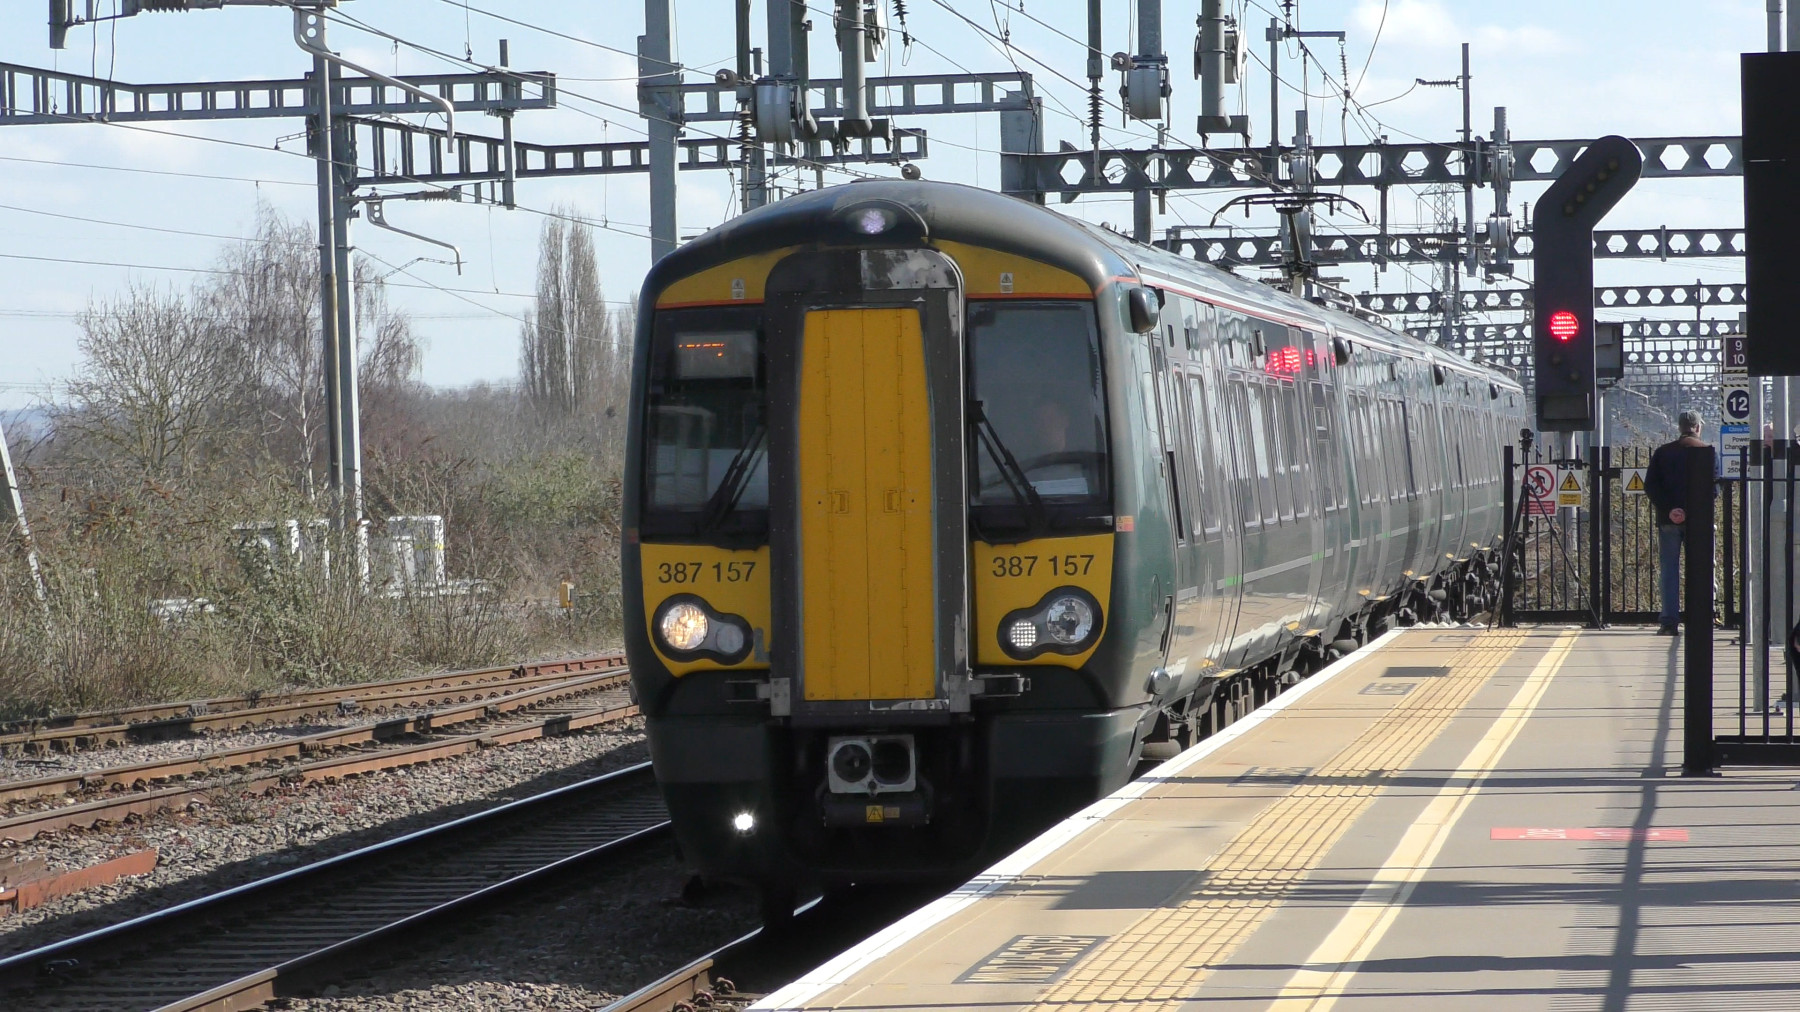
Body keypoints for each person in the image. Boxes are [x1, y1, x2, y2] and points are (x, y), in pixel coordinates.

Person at [1644, 410, 1715, 635]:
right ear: (1697, 427)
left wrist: (1671, 509)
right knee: (1701, 570)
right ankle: (1702, 617)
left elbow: (1651, 486)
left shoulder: (1663, 453)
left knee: (1669, 570)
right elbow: (1713, 488)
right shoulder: (1707, 452)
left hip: (1668, 520)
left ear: (1680, 426)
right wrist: (1690, 510)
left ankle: (1669, 621)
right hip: (1698, 521)